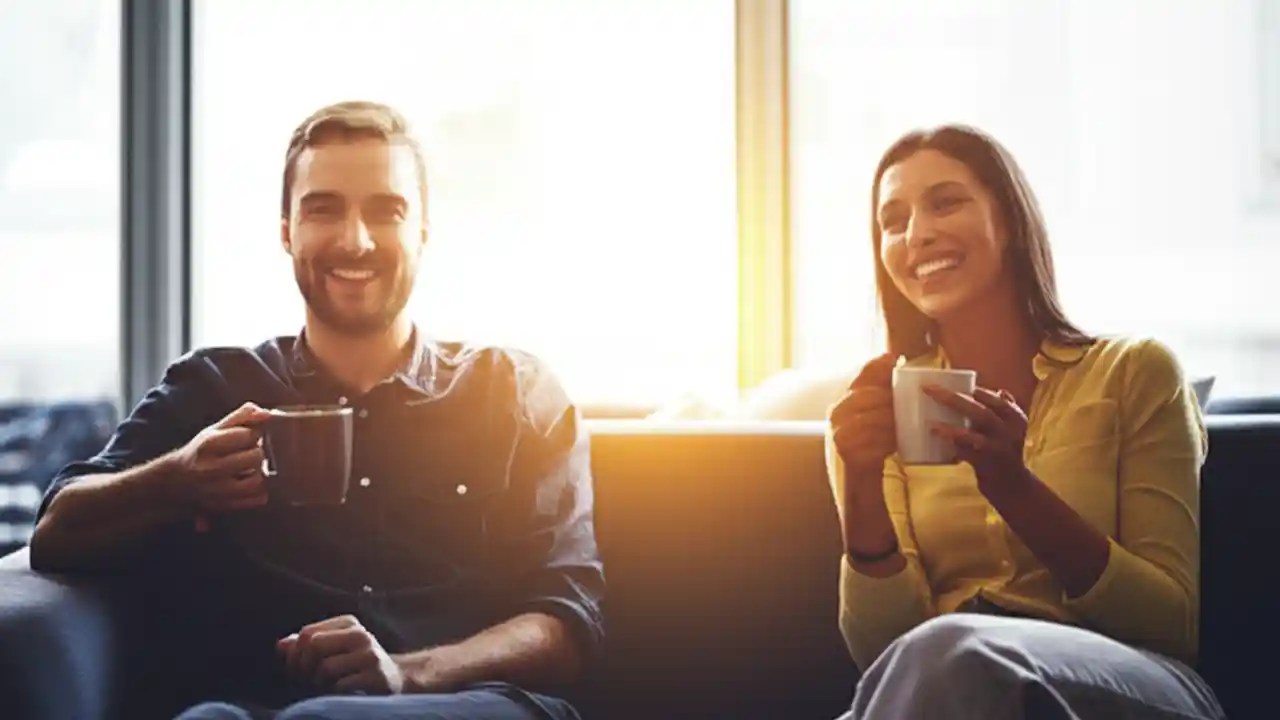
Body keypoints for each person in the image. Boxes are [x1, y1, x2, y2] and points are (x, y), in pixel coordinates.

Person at [29, 101, 604, 720]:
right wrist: (178, 480)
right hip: (252, 706)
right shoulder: (211, 387)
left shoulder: (514, 393)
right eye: (323, 208)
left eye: (387, 211)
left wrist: (407, 675)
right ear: (286, 231)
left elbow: (567, 625)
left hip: (460, 703)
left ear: (424, 232)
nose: (354, 239)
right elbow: (56, 532)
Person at [826, 125, 1225, 719]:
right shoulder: (874, 415)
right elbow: (884, 657)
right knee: (943, 658)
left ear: (1009, 221)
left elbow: (1170, 627)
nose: (917, 233)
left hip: (1135, 678)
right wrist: (861, 485)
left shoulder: (1135, 372)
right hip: (945, 682)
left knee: (950, 648)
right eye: (893, 219)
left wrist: (1016, 489)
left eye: (945, 202)